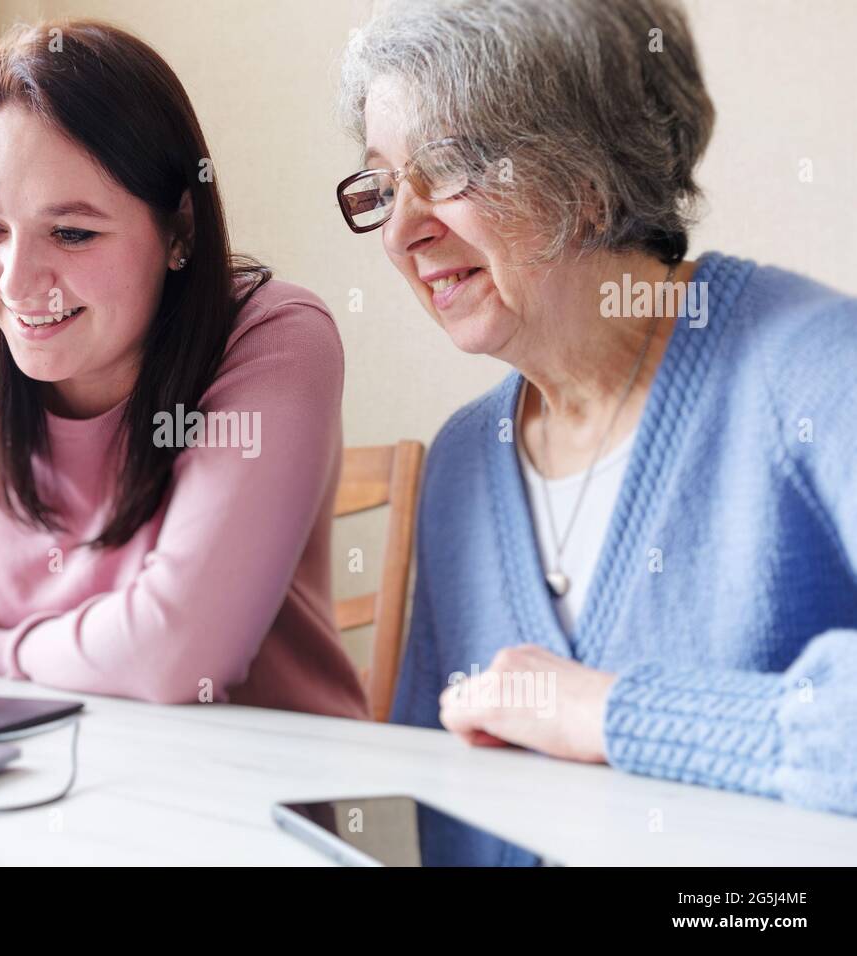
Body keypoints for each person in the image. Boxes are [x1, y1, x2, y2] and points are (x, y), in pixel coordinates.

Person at [335, 0, 857, 845]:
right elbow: (429, 798)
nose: (400, 231)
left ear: (588, 172)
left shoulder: (818, 367)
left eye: (448, 166)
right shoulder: (468, 458)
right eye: (384, 185)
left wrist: (612, 711)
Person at [0, 19, 368, 719]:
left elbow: (176, 653)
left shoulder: (275, 337)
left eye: (73, 233)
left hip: (250, 799)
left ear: (179, 231)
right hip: (45, 781)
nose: (19, 283)